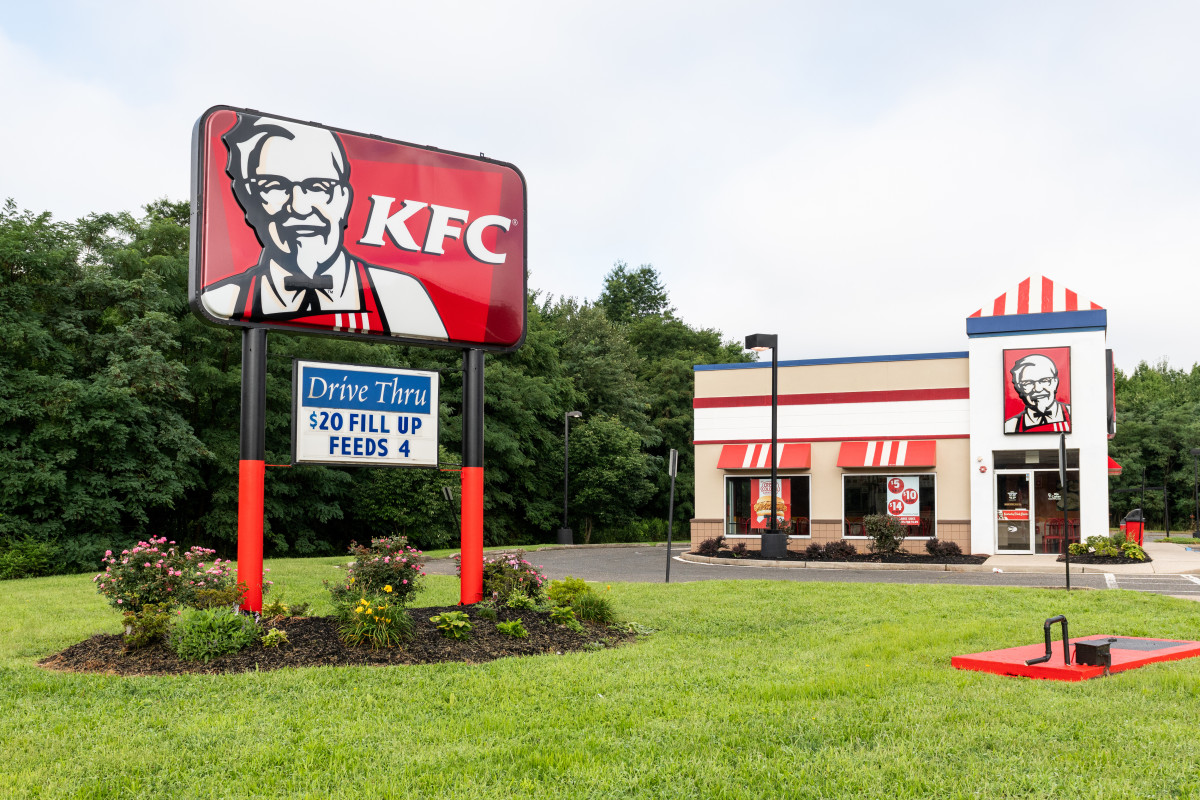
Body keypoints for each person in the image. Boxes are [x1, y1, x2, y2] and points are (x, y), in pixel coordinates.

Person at [200, 113, 448, 341]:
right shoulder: (225, 300)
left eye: (318, 187)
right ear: (248, 199)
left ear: (344, 198)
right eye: (274, 186)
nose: (300, 207)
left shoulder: (402, 296)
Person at [1004, 353, 1071, 433]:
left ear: (1055, 382)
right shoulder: (1011, 426)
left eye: (1045, 380)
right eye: (1028, 383)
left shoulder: (1074, 415)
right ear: (1019, 387)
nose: (1038, 389)